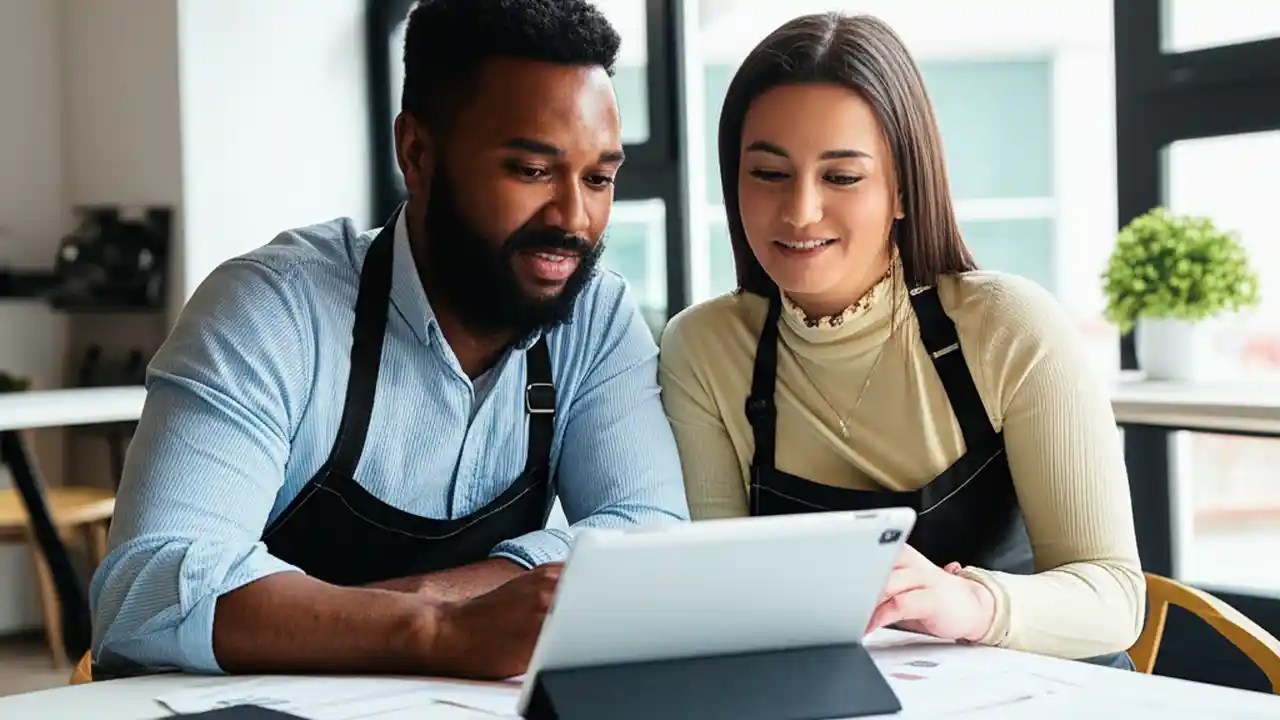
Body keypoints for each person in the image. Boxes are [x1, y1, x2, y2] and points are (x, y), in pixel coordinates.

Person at [90, 0, 687, 680]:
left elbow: (647, 535)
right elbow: (147, 590)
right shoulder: (272, 309)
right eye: (530, 171)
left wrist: (420, 601)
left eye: (599, 178)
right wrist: (436, 625)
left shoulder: (596, 317)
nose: (573, 218)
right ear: (418, 153)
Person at [658, 12, 1144, 666]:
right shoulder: (703, 348)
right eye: (769, 174)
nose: (800, 210)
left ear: (904, 189)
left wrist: (968, 603)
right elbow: (719, 597)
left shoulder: (1006, 326)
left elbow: (1114, 598)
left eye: (842, 176)